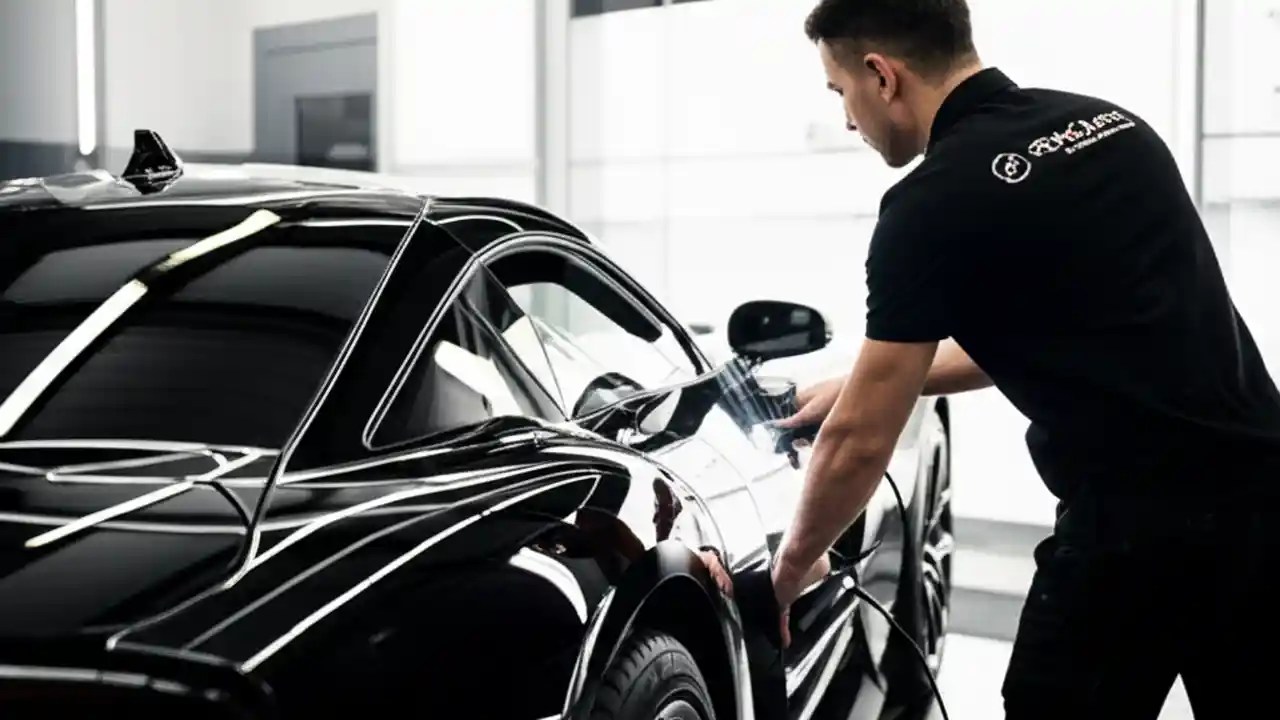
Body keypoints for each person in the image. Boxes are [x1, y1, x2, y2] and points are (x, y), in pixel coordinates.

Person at [770, 0, 1280, 717]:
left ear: (881, 76)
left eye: (840, 92)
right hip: (1263, 501)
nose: (849, 120)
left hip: (1134, 536)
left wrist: (790, 571)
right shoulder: (1113, 126)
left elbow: (860, 442)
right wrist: (864, 384)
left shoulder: (928, 205)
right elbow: (1061, 328)